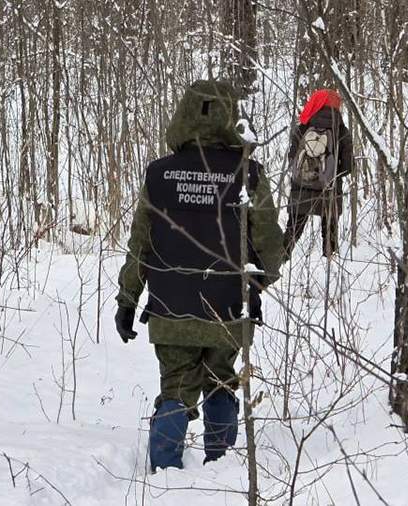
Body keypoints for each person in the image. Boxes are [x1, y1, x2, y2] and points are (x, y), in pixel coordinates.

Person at [114, 80, 283, 472]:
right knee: (222, 380)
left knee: (174, 388)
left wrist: (127, 300)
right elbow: (270, 244)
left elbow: (141, 244)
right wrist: (257, 282)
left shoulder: (159, 175)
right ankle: (220, 469)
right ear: (230, 117)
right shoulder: (248, 175)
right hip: (228, 308)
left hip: (171, 309)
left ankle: (163, 476)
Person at [282, 89, 354, 260]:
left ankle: (280, 259)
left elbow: (292, 159)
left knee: (292, 230)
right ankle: (330, 263)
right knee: (330, 233)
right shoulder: (341, 131)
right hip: (329, 190)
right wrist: (328, 173)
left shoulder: (303, 126)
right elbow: (347, 167)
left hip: (301, 189)